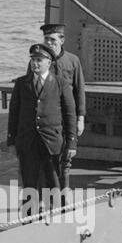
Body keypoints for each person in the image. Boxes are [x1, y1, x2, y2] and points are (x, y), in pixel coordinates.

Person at [3, 43, 76, 207]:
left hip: (51, 142)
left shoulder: (60, 83)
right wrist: (11, 140)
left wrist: (71, 142)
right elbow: (14, 113)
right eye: (33, 60)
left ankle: (57, 215)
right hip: (27, 141)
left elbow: (69, 114)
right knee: (29, 181)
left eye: (39, 60)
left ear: (49, 62)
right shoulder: (22, 84)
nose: (35, 63)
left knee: (53, 181)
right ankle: (29, 217)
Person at [42, 23, 86, 182]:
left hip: (67, 116)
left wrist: (81, 118)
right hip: (47, 117)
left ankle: (64, 197)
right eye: (46, 39)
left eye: (53, 40)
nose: (49, 43)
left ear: (62, 40)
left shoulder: (72, 61)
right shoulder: (39, 62)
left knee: (66, 157)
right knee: (46, 159)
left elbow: (80, 90)